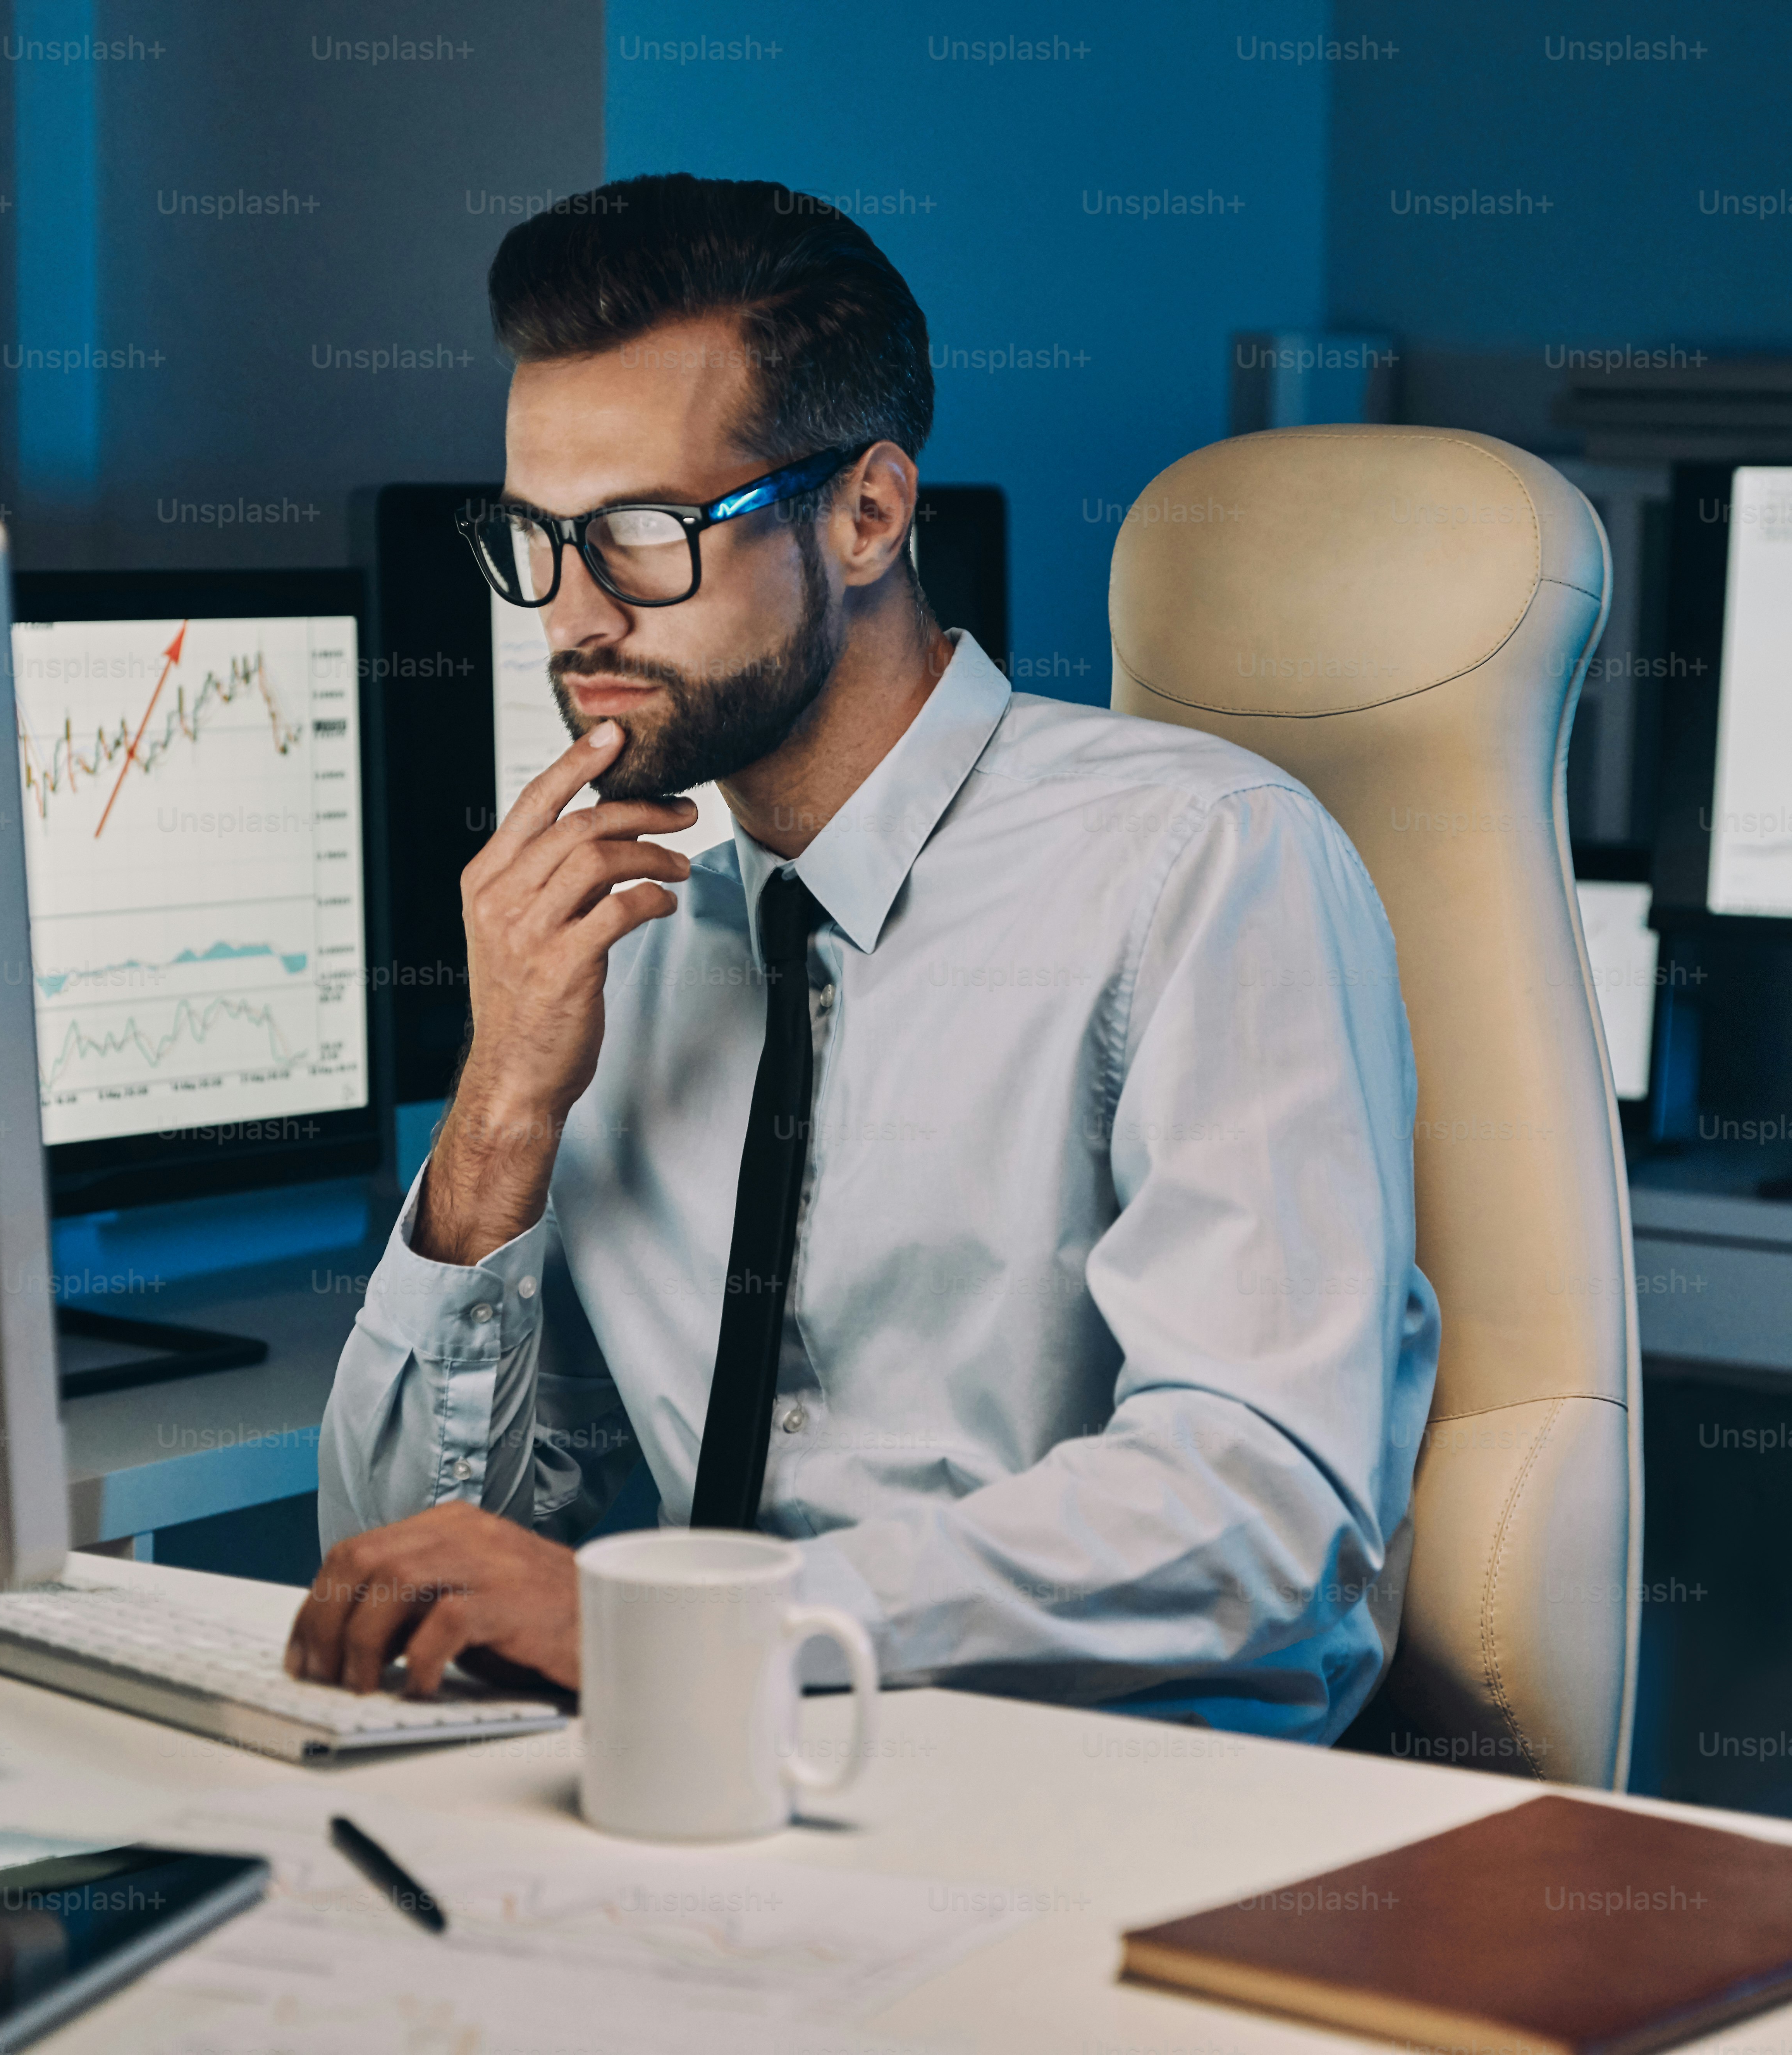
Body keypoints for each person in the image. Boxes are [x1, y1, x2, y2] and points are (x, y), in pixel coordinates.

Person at [285, 172, 1437, 1742]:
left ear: (870, 513)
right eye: (535, 542)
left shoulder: (1200, 864)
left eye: (638, 534)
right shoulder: (620, 945)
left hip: (1103, 1790)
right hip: (705, 1775)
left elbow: (1261, 1508)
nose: (566, 616)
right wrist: (498, 1108)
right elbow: (390, 1563)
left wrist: (709, 1629)